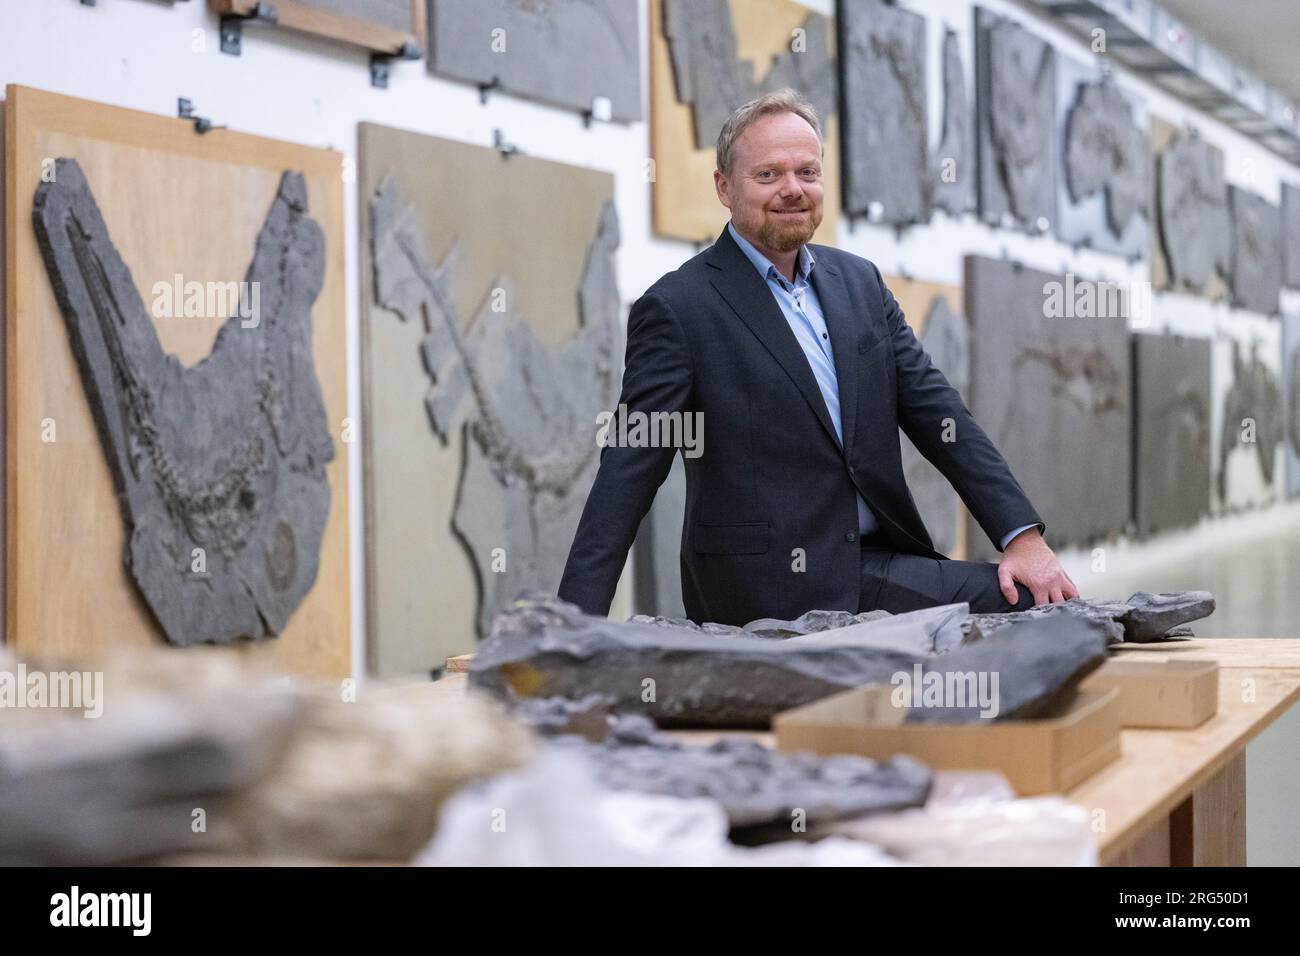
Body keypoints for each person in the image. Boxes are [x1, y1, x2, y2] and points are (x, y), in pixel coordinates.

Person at [558, 88, 1077, 626]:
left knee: (1043, 600)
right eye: (768, 175)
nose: (792, 189)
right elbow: (628, 470)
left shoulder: (860, 283)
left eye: (807, 172)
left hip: (876, 560)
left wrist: (1023, 537)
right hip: (767, 586)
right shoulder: (678, 308)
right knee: (1023, 611)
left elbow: (940, 414)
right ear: (723, 187)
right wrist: (574, 624)